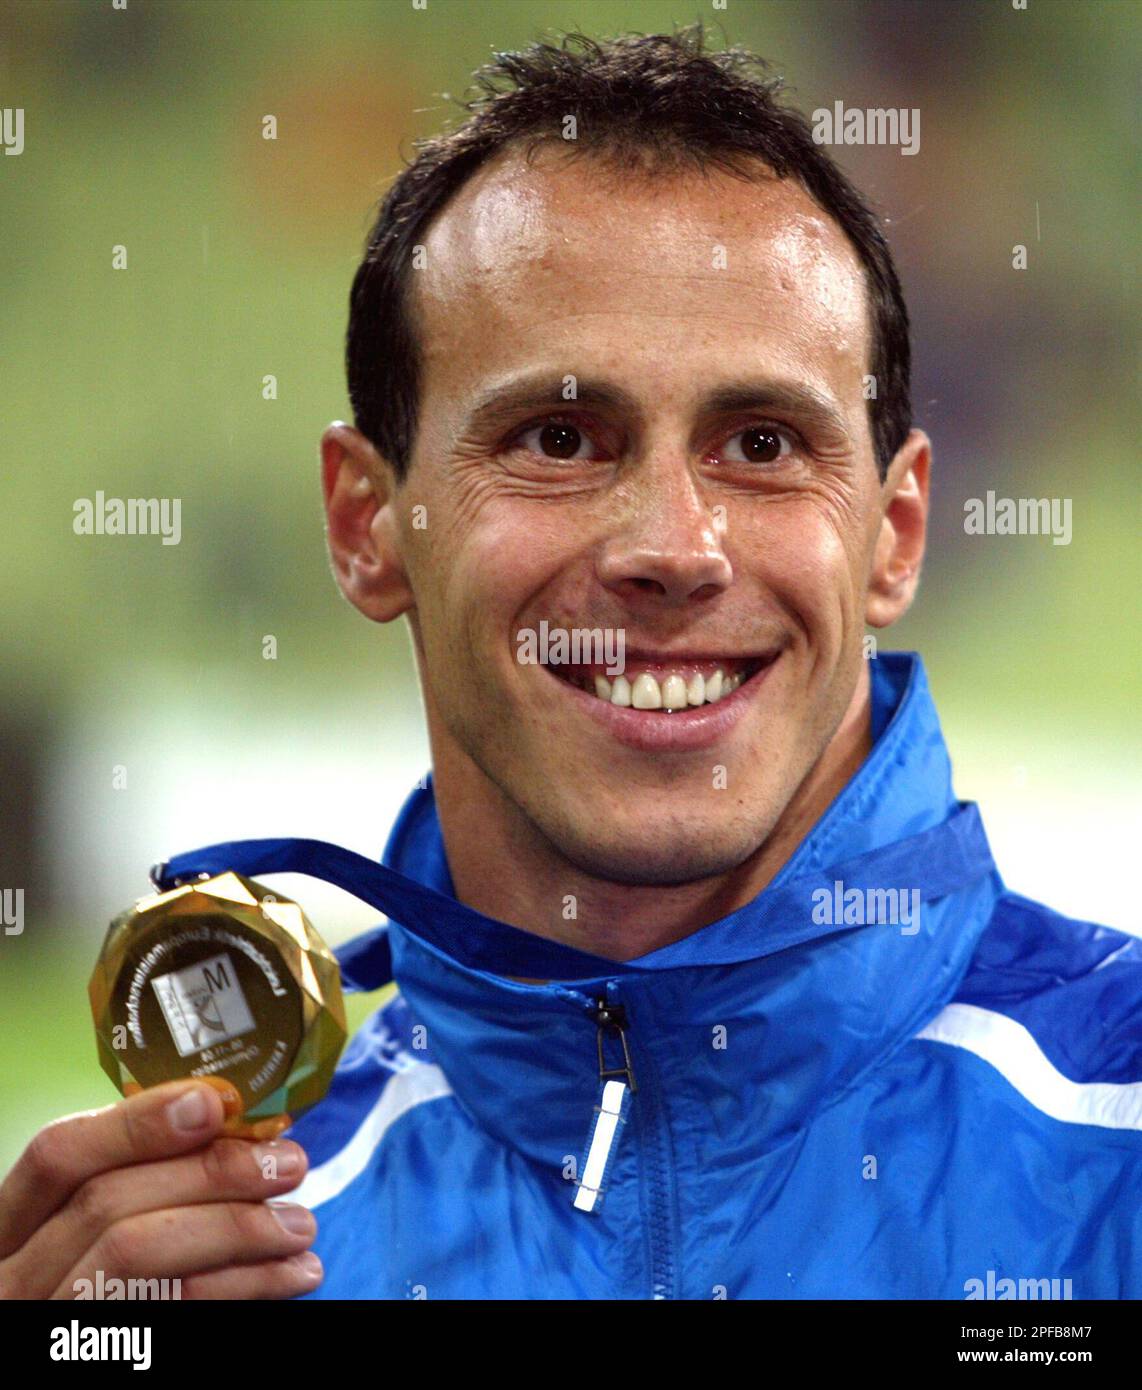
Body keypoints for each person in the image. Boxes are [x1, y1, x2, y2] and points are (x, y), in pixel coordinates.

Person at [2, 25, 1138, 1302]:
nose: (672, 546)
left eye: (760, 444)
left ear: (894, 533)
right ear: (365, 525)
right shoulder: (220, 1256)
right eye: (558, 435)